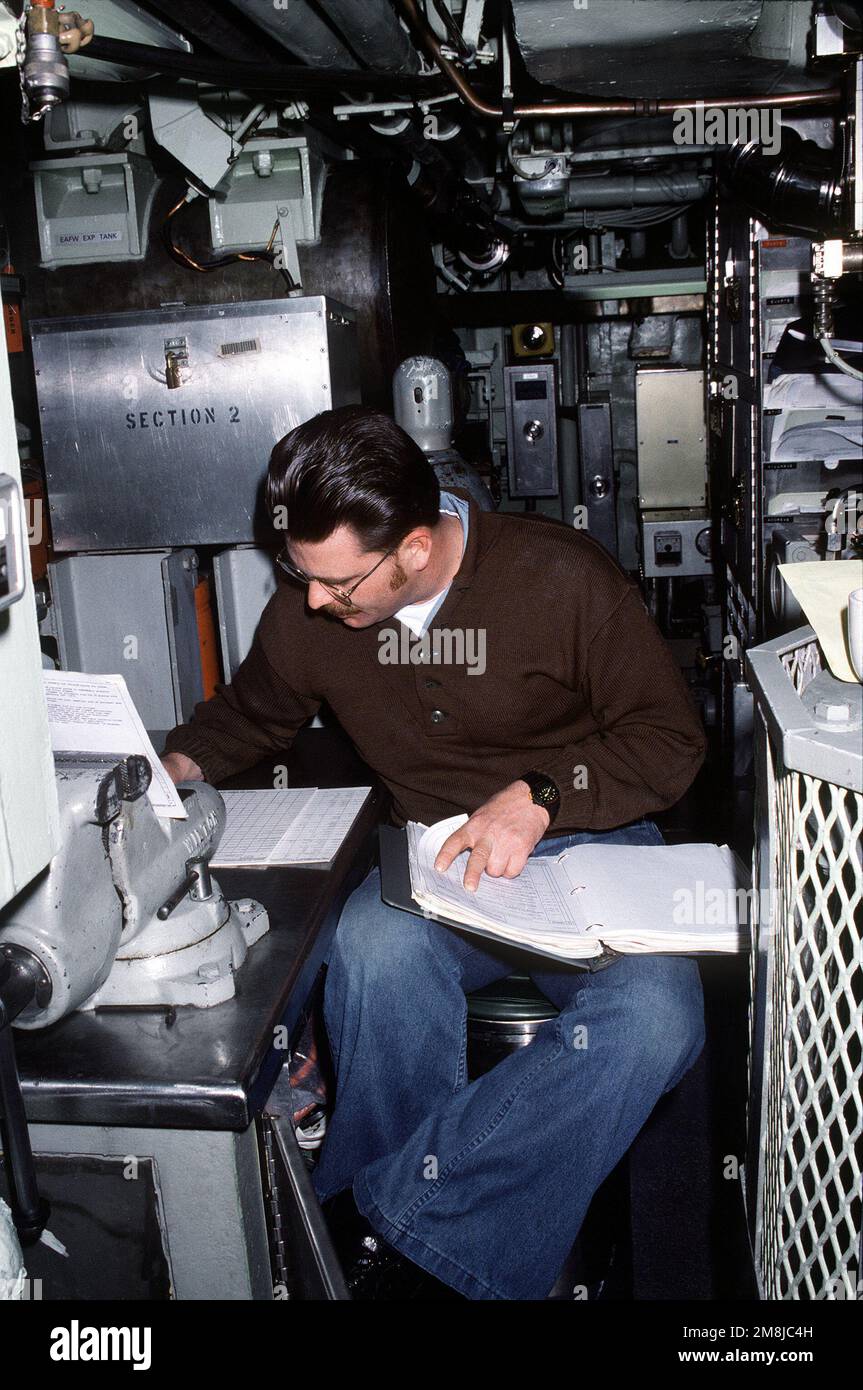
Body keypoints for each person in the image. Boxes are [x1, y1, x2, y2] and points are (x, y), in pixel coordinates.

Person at [162, 404, 707, 1300]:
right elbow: (250, 714)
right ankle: (374, 1233)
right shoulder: (319, 611)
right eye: (300, 575)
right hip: (432, 859)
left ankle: (390, 1224)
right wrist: (164, 772)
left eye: (336, 585)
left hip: (588, 844)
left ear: (415, 549)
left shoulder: (560, 580)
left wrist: (540, 797)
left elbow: (667, 739)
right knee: (374, 949)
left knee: (660, 1017)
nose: (311, 602)